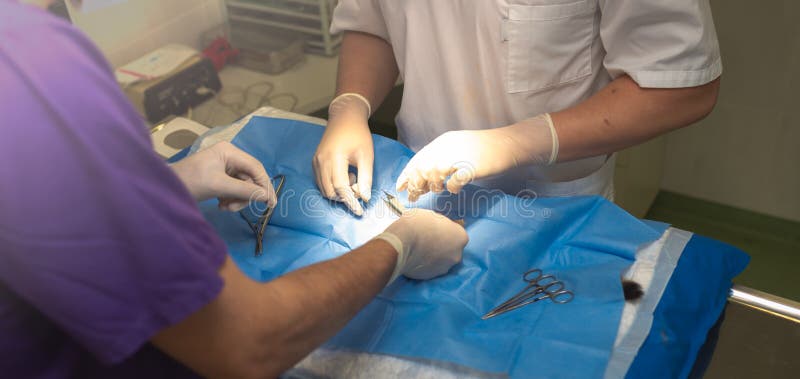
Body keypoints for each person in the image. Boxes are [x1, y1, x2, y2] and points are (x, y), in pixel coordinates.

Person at [0, 1, 468, 378]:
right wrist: (400, 244)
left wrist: (163, 184)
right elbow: (249, 343)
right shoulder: (33, 66)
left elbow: (37, 209)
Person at [313, 0, 722, 215]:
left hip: (550, 210)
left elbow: (681, 85)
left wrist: (517, 142)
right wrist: (351, 104)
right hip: (416, 187)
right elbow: (373, 22)